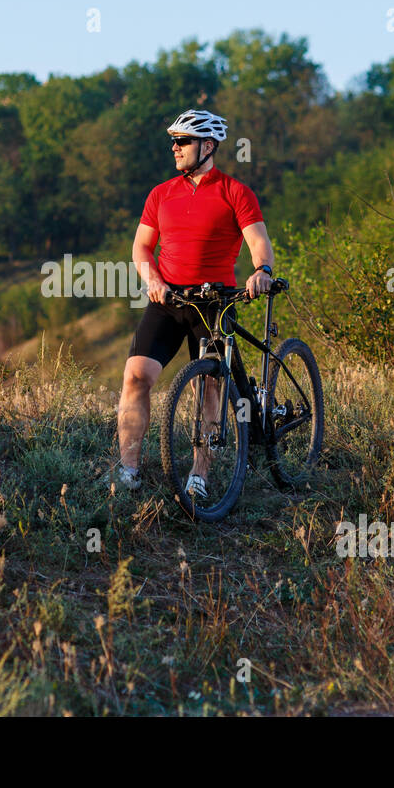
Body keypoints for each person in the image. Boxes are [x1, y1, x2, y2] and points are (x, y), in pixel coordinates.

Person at [114, 108, 276, 498]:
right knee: (136, 376)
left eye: (182, 141)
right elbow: (141, 247)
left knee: (209, 387)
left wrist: (262, 271)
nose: (175, 148)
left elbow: (258, 242)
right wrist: (152, 279)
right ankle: (128, 471)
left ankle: (200, 474)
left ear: (207, 146)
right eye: (173, 141)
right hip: (168, 298)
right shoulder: (161, 193)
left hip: (216, 303)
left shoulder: (235, 192)